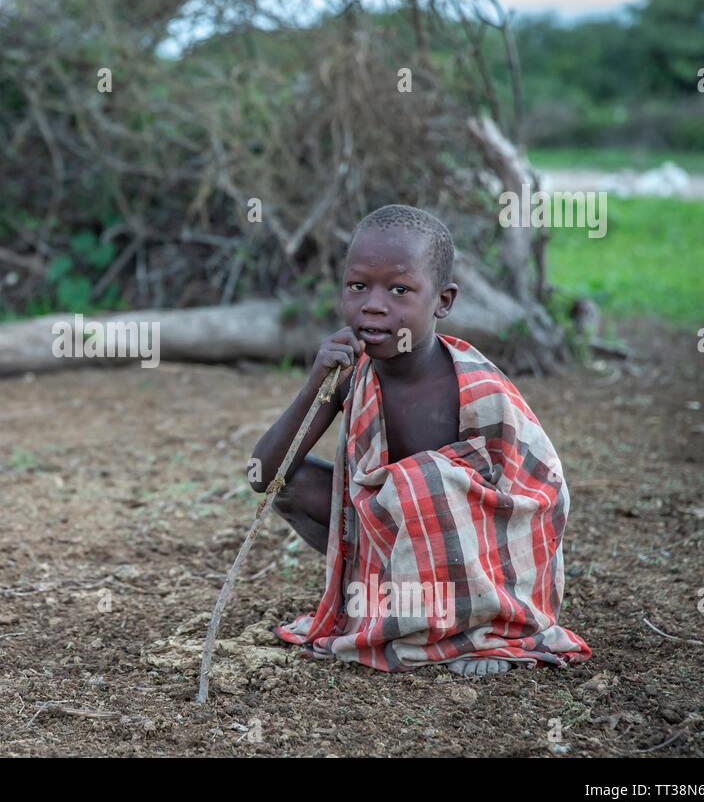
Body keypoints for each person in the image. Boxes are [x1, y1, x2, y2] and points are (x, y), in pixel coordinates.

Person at [248, 205, 591, 675]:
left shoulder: (474, 390)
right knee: (296, 485)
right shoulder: (351, 377)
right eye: (357, 286)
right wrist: (317, 385)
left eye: (400, 290)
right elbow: (264, 475)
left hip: (480, 569)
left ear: (443, 302)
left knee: (427, 484)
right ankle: (377, 601)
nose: (373, 304)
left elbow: (535, 502)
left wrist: (424, 488)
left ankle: (475, 636)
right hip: (401, 557)